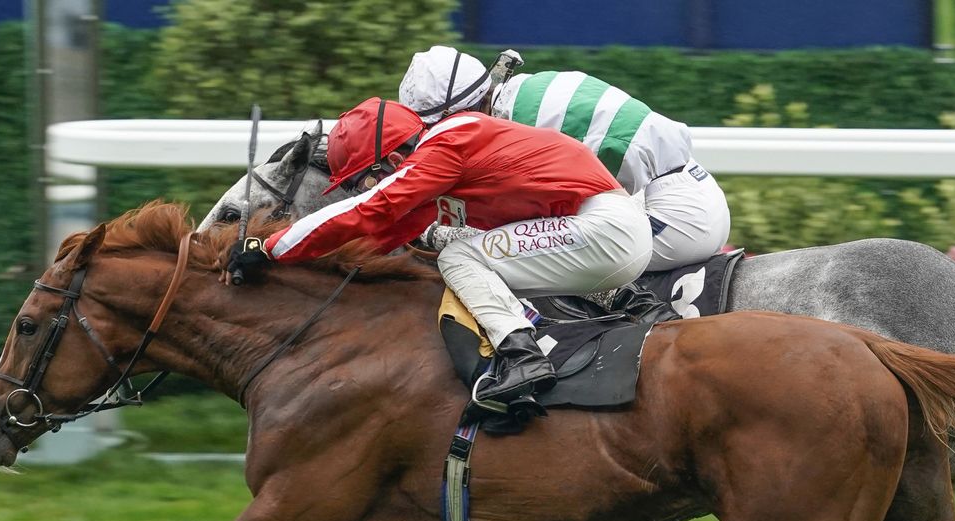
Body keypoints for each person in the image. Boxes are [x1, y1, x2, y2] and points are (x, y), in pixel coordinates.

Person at [227, 97, 652, 405]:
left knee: (460, 256)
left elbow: (373, 208)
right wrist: (299, 267)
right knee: (463, 253)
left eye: (364, 177)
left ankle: (523, 357)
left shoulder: (449, 141)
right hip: (602, 236)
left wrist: (269, 247)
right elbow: (379, 240)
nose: (367, 187)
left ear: (393, 159)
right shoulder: (439, 182)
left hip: (604, 227)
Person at [399, 45, 730, 274]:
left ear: (460, 110)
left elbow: (514, 225)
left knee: (499, 255)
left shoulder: (515, 124)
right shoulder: (523, 90)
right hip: (692, 194)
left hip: (674, 219)